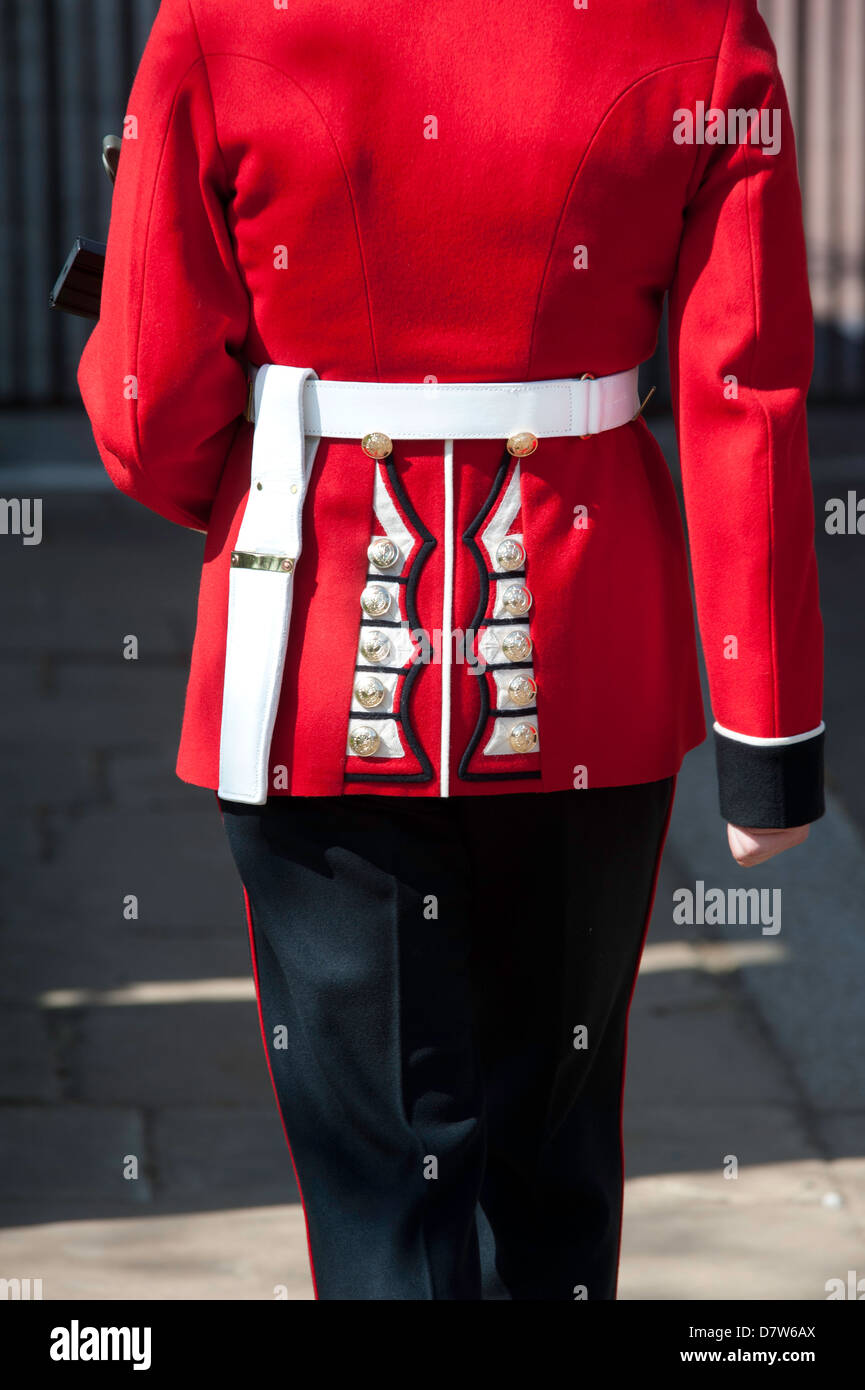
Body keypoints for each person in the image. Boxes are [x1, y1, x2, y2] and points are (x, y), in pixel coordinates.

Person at [77, 0, 824, 1300]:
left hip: (312, 647)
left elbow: (150, 403)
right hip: (585, 663)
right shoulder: (700, 22)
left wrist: (243, 464)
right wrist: (767, 740)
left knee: (379, 1188)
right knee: (552, 1166)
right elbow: (738, 387)